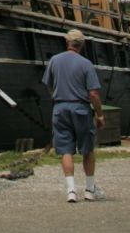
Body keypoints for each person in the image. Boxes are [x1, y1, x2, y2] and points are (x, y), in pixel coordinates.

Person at [43, 28, 104, 203]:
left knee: (65, 150)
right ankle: (89, 190)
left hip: (60, 108)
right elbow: (93, 94)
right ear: (82, 45)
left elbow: (48, 84)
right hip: (81, 108)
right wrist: (100, 115)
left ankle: (71, 191)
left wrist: (56, 95)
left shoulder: (54, 60)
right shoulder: (86, 64)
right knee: (87, 149)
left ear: (66, 42)